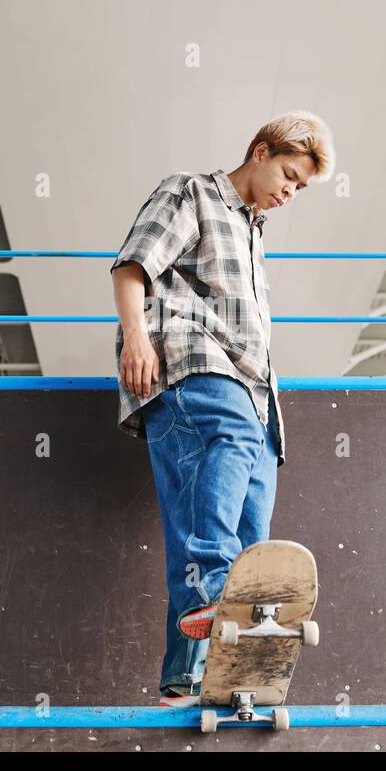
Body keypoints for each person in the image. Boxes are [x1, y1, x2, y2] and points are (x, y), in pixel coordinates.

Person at [108, 111, 335, 707]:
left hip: (257, 391)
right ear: (260, 151)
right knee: (230, 448)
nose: (291, 190)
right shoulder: (193, 192)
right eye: (288, 174)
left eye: (301, 187)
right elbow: (134, 266)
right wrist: (135, 338)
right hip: (193, 360)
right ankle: (217, 585)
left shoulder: (254, 231)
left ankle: (189, 674)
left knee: (249, 529)